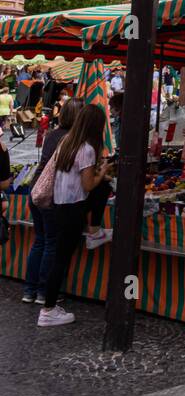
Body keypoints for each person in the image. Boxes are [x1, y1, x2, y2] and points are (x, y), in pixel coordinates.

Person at [38, 103, 112, 328]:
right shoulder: (87, 149)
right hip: (73, 208)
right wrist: (103, 172)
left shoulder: (66, 142)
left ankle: (49, 307)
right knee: (60, 259)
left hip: (60, 206)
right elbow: (88, 185)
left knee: (59, 256)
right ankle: (48, 310)